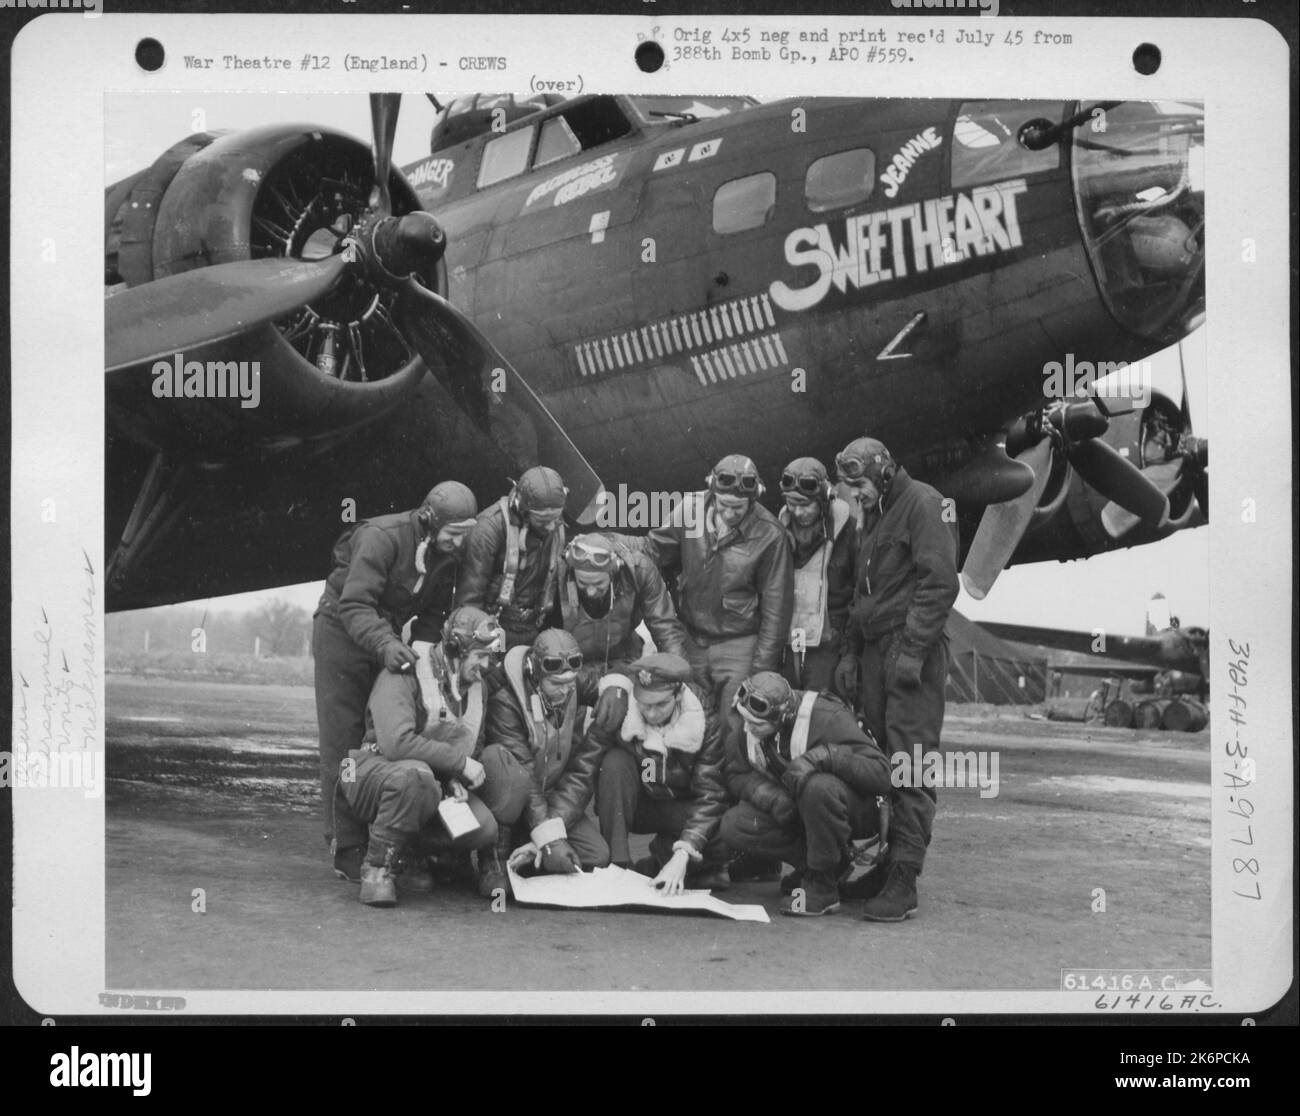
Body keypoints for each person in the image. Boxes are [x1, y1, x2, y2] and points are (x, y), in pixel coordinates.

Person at [312, 480, 479, 856]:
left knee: (387, 736)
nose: (458, 544)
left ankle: (386, 836)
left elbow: (434, 616)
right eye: (452, 534)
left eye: (464, 536)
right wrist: (387, 644)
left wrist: (422, 659)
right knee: (344, 739)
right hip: (341, 632)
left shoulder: (446, 552)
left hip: (386, 637)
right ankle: (347, 844)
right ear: (429, 521)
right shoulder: (381, 537)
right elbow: (354, 605)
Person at [832, 437, 959, 922]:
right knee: (884, 762)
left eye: (860, 484)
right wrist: (850, 655)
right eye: (849, 487)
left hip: (911, 654)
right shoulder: (875, 514)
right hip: (873, 651)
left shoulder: (923, 504)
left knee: (911, 763)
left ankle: (905, 878)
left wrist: (911, 651)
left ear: (883, 473)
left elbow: (940, 582)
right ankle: (887, 866)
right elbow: (858, 595)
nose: (854, 495)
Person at [332, 607, 506, 906]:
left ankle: (420, 854)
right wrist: (458, 764)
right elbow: (396, 744)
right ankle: (378, 868)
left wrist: (453, 778)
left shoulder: (477, 688)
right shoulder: (403, 671)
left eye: (491, 657)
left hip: (430, 780)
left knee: (484, 828)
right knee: (415, 778)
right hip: (368, 770)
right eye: (480, 656)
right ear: (455, 648)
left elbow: (471, 744)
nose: (486, 666)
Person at [718, 671, 892, 917]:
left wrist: (824, 756)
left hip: (854, 808)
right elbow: (735, 773)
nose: (747, 728)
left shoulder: (827, 717)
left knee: (818, 787)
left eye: (756, 724)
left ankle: (822, 886)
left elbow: (882, 773)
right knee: (736, 824)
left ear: (783, 717)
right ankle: (822, 866)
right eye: (744, 720)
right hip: (802, 808)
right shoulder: (749, 726)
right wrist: (767, 795)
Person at [641, 453, 793, 714]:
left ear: (753, 499)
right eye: (724, 504)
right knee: (690, 715)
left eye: (739, 507)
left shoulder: (771, 535)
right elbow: (652, 551)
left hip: (739, 643)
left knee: (734, 722)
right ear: (712, 491)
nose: (730, 512)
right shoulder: (689, 509)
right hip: (692, 638)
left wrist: (758, 674)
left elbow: (776, 612)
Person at [475, 628, 617, 894]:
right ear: (534, 674)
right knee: (509, 776)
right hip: (515, 795)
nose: (565, 691)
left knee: (596, 855)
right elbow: (526, 778)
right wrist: (549, 838)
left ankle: (528, 849)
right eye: (556, 684)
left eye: (569, 683)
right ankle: (494, 859)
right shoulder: (506, 702)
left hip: (549, 797)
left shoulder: (573, 686)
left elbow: (580, 775)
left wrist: (616, 688)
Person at [591, 653, 730, 893]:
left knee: (724, 832)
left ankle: (664, 861)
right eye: (645, 704)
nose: (652, 713)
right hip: (640, 802)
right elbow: (583, 767)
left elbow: (711, 796)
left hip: (683, 808)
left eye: (661, 705)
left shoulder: (706, 720)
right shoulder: (624, 706)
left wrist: (685, 849)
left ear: (678, 694)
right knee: (614, 762)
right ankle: (618, 865)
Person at [457, 466, 569, 649]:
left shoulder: (556, 529)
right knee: (494, 675)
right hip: (492, 632)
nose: (550, 527)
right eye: (541, 521)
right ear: (521, 510)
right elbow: (468, 603)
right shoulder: (489, 530)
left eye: (555, 519)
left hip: (532, 630)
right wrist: (480, 652)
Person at [553, 532, 687, 685]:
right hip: (574, 669)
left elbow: (665, 628)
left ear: (613, 572)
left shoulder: (639, 571)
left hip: (624, 663)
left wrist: (680, 675)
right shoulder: (558, 574)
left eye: (598, 584)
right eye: (582, 584)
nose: (590, 591)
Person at [777, 457, 858, 695]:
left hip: (830, 646)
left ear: (823, 501)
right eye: (791, 504)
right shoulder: (778, 532)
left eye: (805, 504)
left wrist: (850, 653)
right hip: (788, 645)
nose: (798, 512)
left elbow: (859, 595)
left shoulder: (850, 532)